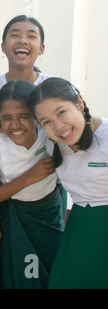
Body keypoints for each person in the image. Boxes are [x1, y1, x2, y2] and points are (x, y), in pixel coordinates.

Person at [0, 79, 64, 288]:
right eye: (7, 118)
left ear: (36, 115)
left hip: (48, 212)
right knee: (22, 275)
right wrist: (28, 178)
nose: (15, 125)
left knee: (51, 270)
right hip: (16, 215)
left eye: (23, 117)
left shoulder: (49, 136)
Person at [27, 77, 108, 289]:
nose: (58, 126)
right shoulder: (50, 142)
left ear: (79, 104)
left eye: (61, 112)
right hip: (80, 227)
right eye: (46, 121)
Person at [0, 15, 52, 108]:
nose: (23, 41)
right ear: (3, 46)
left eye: (31, 36)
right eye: (14, 35)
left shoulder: (51, 86)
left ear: (41, 49)